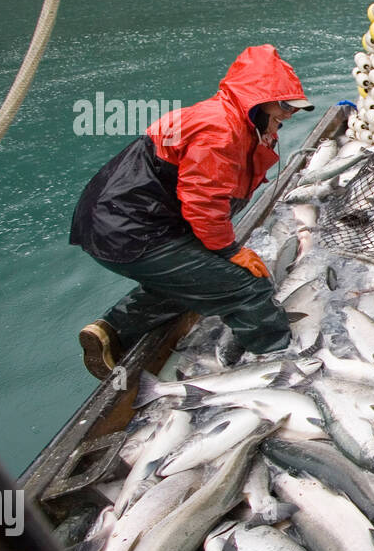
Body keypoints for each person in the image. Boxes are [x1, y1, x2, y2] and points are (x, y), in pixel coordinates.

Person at [70, 44, 314, 378]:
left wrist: (220, 253)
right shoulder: (219, 130)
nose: (288, 115)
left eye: (294, 109)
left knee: (199, 280)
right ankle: (277, 366)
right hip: (129, 230)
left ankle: (110, 332)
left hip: (125, 222)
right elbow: (202, 201)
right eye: (284, 106)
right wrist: (230, 251)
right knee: (247, 287)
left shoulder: (236, 122)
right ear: (255, 100)